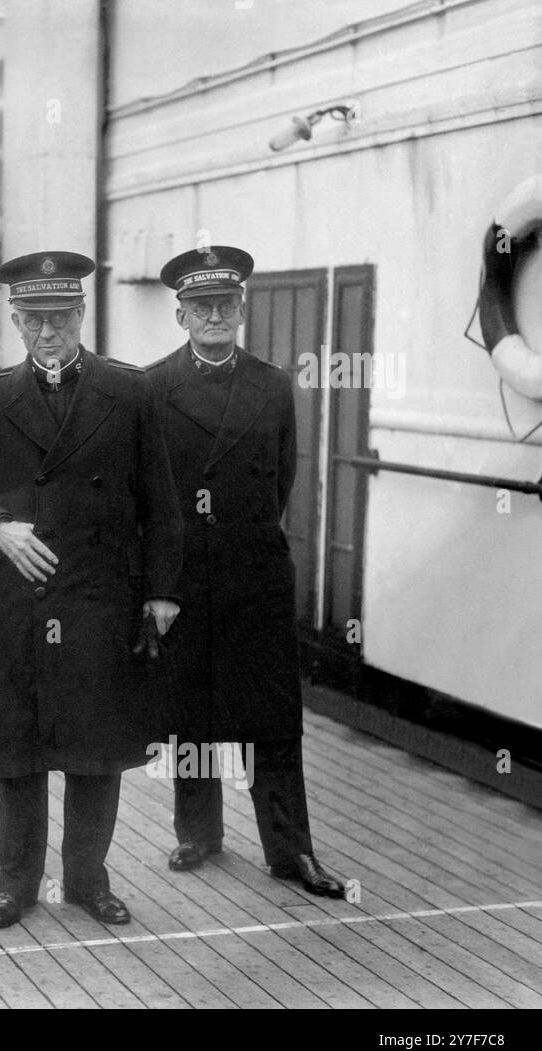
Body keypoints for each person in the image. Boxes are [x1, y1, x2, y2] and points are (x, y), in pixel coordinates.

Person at [0, 251, 184, 929]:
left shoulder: (129, 391)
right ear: (16, 323)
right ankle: (15, 884)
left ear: (80, 315)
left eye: (60, 317)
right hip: (15, 601)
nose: (48, 333)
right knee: (20, 752)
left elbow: (160, 502)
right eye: (34, 320)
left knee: (94, 751)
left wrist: (162, 591)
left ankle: (86, 880)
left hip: (95, 599)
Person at [146, 243, 345, 898]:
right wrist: (161, 588)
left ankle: (291, 852)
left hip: (255, 570)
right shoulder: (152, 388)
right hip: (186, 575)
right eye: (201, 306)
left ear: (241, 309)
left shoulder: (272, 384)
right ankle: (197, 833)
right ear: (180, 315)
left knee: (272, 716)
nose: (214, 316)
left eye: (224, 305)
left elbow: (281, 480)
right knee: (191, 710)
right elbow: (149, 498)